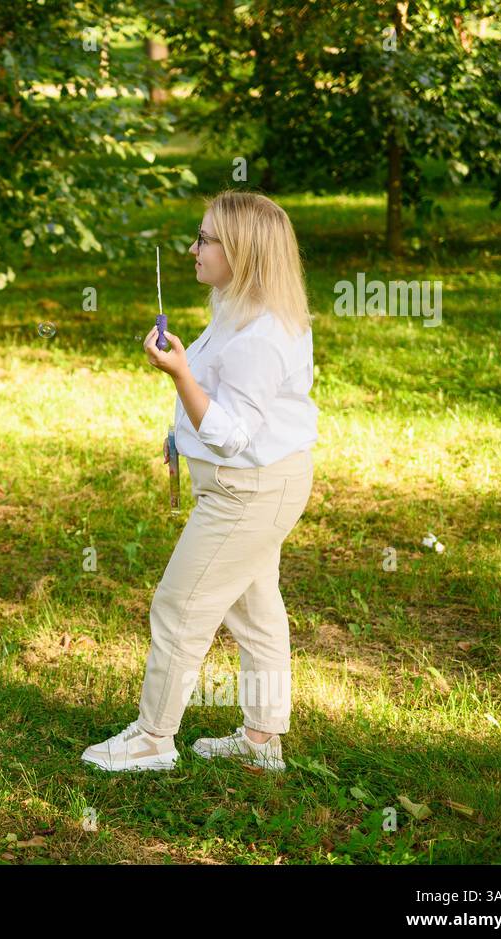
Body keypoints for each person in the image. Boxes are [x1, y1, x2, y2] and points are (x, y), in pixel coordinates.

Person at [82, 190, 319, 773]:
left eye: (206, 239)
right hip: (254, 486)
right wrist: (178, 431)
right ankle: (262, 743)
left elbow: (232, 435)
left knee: (179, 606)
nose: (194, 248)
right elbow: (218, 404)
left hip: (250, 491)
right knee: (254, 609)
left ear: (242, 251)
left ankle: (151, 740)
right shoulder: (234, 305)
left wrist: (179, 372)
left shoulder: (262, 335)